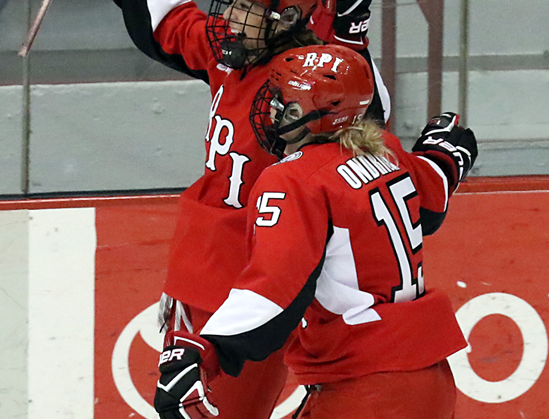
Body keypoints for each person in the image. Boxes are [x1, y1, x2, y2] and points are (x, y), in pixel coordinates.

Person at [60, 0, 389, 418]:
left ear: (287, 18)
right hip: (199, 271)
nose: (227, 17)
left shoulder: (305, 81)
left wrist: (351, 28)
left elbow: (367, 121)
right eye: (230, 1)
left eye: (244, 7)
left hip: (257, 286)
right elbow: (165, 24)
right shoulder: (229, 51)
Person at [151, 44, 478, 419]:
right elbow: (433, 190)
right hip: (427, 383)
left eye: (286, 106)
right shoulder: (384, 152)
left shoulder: (294, 180)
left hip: (368, 391)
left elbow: (275, 289)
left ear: (325, 115)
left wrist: (200, 353)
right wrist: (446, 154)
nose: (271, 114)